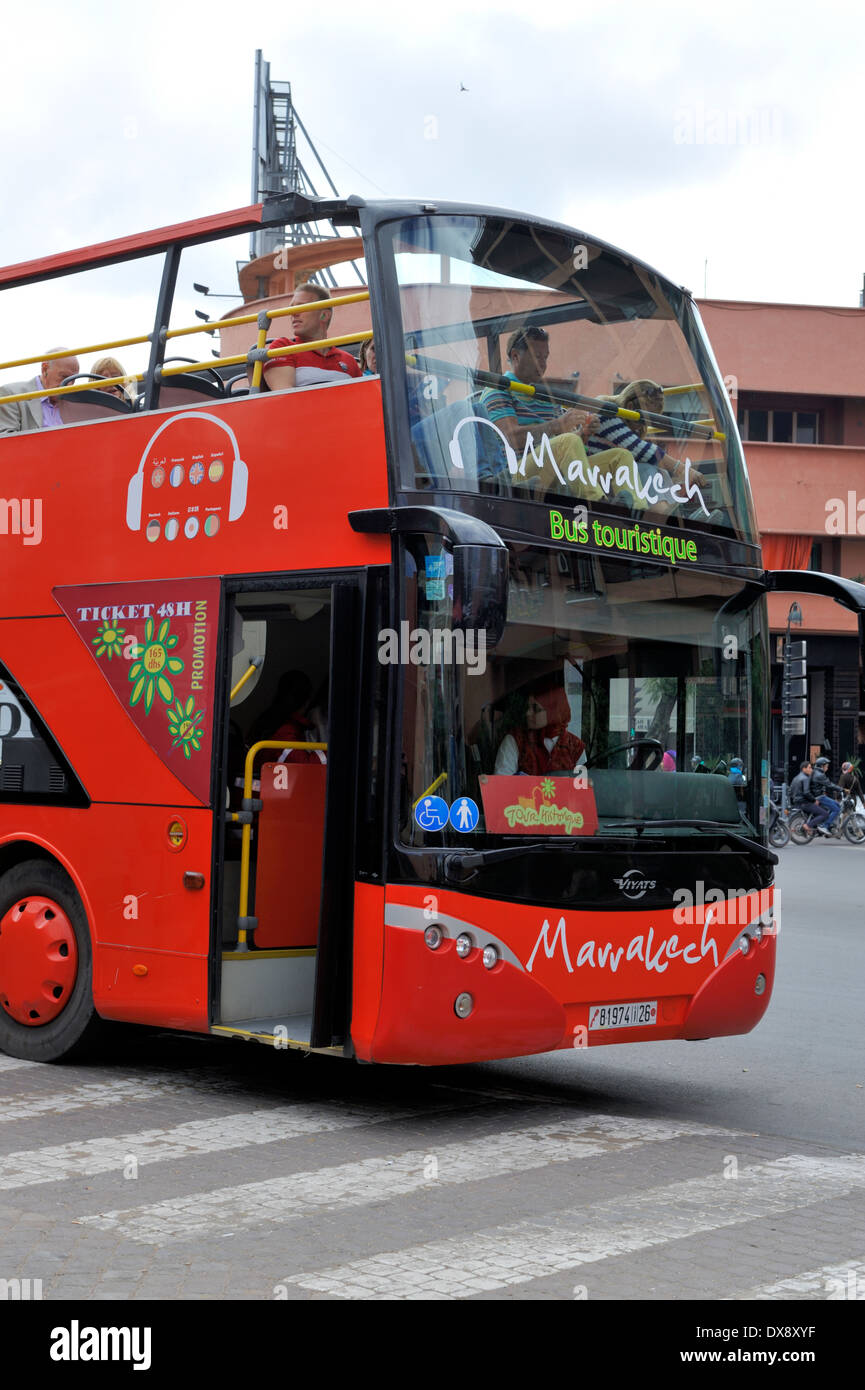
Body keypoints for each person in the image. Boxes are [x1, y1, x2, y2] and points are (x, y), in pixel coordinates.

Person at [479, 326, 634, 503]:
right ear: (515, 356)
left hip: (553, 471)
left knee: (621, 456)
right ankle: (600, 506)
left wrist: (583, 433)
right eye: (537, 357)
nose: (544, 364)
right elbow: (509, 437)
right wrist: (557, 426)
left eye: (546, 357)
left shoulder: (546, 397)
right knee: (568, 441)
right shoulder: (498, 389)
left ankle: (637, 515)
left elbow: (568, 446)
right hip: (516, 475)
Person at [261, 283, 362, 392]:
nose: (293, 313)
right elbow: (284, 397)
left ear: (324, 315)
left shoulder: (348, 360)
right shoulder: (282, 347)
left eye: (301, 306)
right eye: (291, 308)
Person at [494, 679, 585, 775]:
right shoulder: (516, 740)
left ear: (552, 712)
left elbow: (585, 785)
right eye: (528, 707)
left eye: (535, 709)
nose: (528, 713)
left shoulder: (575, 746)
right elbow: (501, 782)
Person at [0, 350, 80, 435]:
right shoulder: (11, 394)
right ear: (45, 369)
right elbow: (6, 442)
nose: (69, 385)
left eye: (73, 379)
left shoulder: (76, 403)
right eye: (64, 377)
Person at [789, 760, 831, 835]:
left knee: (817, 811)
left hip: (797, 803)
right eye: (809, 768)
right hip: (805, 803)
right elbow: (806, 792)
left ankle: (812, 830)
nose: (811, 769)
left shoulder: (795, 778)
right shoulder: (805, 778)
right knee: (825, 814)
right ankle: (808, 825)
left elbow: (790, 792)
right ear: (804, 769)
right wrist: (814, 800)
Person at [810, 756, 841, 828]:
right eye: (826, 766)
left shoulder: (815, 772)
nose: (827, 768)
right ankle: (825, 826)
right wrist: (841, 789)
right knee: (837, 809)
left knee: (836, 803)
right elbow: (829, 784)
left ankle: (827, 820)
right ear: (821, 766)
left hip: (818, 795)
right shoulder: (820, 775)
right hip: (819, 796)